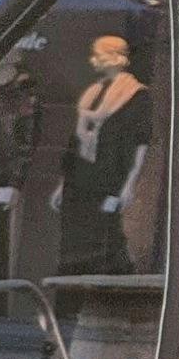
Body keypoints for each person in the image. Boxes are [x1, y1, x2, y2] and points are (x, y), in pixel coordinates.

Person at [59, 26, 156, 274]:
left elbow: (139, 143)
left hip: (110, 178)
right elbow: (77, 141)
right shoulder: (92, 93)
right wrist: (63, 183)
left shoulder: (136, 95)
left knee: (106, 237)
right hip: (80, 179)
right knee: (74, 240)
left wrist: (129, 183)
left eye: (98, 54)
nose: (94, 60)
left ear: (114, 57)